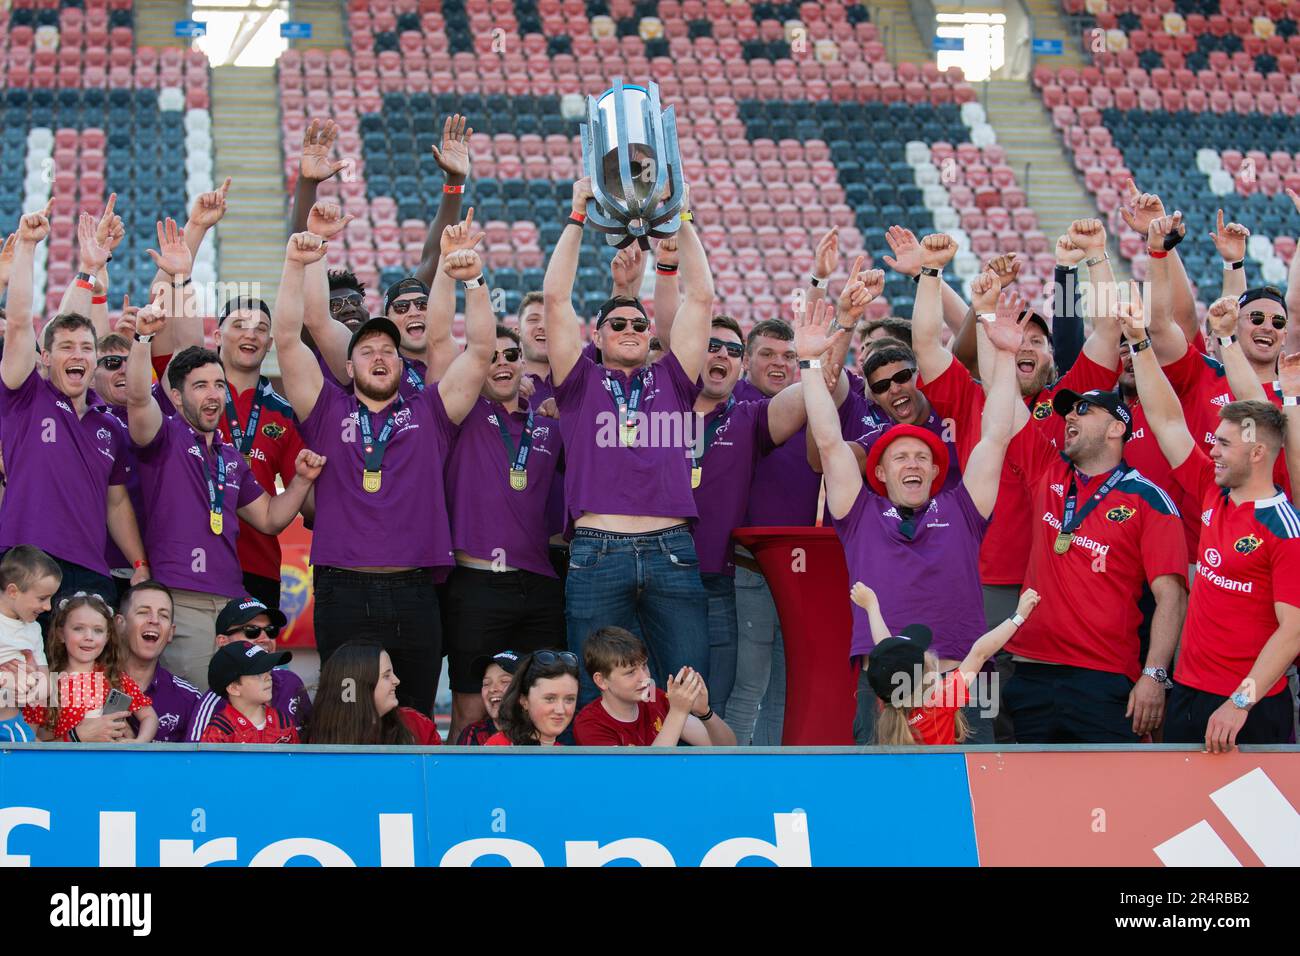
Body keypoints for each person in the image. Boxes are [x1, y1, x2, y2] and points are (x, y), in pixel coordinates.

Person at [273, 228, 495, 715]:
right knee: (347, 716)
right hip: (342, 588)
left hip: (415, 590)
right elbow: (287, 339)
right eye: (366, 350)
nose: (379, 357)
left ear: (401, 363)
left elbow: (479, 352)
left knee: (412, 715)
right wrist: (297, 263)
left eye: (388, 351)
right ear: (348, 367)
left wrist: (474, 283)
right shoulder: (326, 410)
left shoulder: (431, 412)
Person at [805, 288, 1023, 744]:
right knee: (880, 803)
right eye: (900, 457)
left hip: (961, 681)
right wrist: (809, 364)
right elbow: (827, 442)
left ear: (936, 469)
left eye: (922, 456)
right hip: (886, 686)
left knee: (971, 800)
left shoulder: (963, 507)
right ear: (879, 471)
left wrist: (1004, 356)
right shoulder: (860, 512)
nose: (912, 463)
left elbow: (998, 434)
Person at [543, 178, 714, 708]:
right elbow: (554, 296)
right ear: (596, 338)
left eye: (639, 322)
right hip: (597, 552)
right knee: (593, 701)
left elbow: (702, 297)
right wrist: (576, 218)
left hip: (672, 551)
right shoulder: (579, 384)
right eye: (616, 322)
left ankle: (686, 785)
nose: (629, 326)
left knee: (687, 691)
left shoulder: (674, 378)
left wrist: (681, 217)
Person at [1126, 296, 1300, 750]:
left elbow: (1294, 631)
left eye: (1224, 443)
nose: (1214, 450)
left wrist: (1240, 702)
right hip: (1189, 690)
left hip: (1251, 707)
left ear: (1257, 453)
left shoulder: (1286, 530)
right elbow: (1166, 420)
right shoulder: (1211, 486)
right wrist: (1140, 343)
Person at [126, 299, 325, 689]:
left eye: (219, 385)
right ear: (177, 397)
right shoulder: (163, 435)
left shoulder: (230, 457)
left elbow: (268, 516)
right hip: (182, 594)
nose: (214, 394)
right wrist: (142, 340)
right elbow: (137, 399)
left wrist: (301, 481)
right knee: (196, 698)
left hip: (233, 598)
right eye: (200, 386)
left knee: (237, 703)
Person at [1003, 346, 1189, 744]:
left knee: (1109, 800)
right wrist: (1002, 348)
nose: (1070, 416)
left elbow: (1171, 596)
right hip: (1031, 670)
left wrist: (1154, 675)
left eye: (1083, 411)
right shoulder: (1046, 470)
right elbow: (1009, 409)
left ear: (1116, 428)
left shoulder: (1150, 499)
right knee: (1033, 801)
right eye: (1069, 411)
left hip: (1102, 678)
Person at [0, 202, 149, 606]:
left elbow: (116, 502)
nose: (78, 354)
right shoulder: (26, 396)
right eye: (65, 348)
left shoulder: (109, 425)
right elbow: (18, 325)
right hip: (25, 563)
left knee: (84, 673)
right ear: (44, 358)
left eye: (87, 348)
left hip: (91, 571)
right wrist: (29, 247)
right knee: (26, 669)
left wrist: (139, 563)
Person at [688, 313, 833, 717]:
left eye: (788, 356)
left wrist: (825, 341)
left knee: (785, 683)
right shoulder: (740, 407)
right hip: (742, 566)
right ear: (747, 363)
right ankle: (732, 767)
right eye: (766, 353)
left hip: (797, 569)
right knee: (744, 683)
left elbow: (818, 381)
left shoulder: (801, 405)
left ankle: (767, 769)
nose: (778, 363)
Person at [442, 324, 565, 741]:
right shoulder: (459, 414)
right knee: (471, 708)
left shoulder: (550, 426)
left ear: (524, 364)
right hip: (477, 584)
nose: (501, 363)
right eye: (489, 356)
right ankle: (458, 799)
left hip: (540, 585)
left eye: (510, 355)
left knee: (542, 709)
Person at [851, 583, 1041, 745]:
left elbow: (885, 653)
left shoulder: (890, 707)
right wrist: (1019, 616)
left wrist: (871, 607)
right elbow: (979, 653)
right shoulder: (940, 699)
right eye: (921, 652)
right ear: (924, 671)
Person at [24, 593, 158, 743]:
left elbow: (149, 716)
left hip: (109, 764)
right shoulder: (46, 683)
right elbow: (28, 741)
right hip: (64, 765)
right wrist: (74, 737)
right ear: (61, 634)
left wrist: (138, 743)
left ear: (107, 637)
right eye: (78, 628)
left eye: (98, 630)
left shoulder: (115, 677)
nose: (89, 637)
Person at [574, 626, 736, 746]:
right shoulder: (590, 723)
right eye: (630, 672)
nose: (645, 677)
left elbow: (727, 748)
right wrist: (678, 712)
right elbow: (646, 776)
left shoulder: (652, 696)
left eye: (644, 666)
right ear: (601, 681)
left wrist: (704, 712)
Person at [186, 596, 312, 740]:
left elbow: (316, 746)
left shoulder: (291, 682)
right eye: (251, 630)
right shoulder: (211, 706)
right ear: (223, 642)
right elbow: (195, 761)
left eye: (270, 630)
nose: (265, 638)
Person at [308, 641, 442, 745]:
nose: (397, 680)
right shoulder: (313, 739)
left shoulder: (417, 726)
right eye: (386, 675)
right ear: (359, 686)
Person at [116, 580, 201, 743]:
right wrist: (79, 734)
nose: (154, 620)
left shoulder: (190, 699)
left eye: (163, 615)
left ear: (171, 632)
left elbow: (195, 766)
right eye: (143, 612)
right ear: (120, 624)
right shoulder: (81, 679)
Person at [0, 546, 60, 742]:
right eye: (42, 598)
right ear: (13, 591)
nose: (48, 607)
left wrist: (33, 691)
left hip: (11, 723)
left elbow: (45, 682)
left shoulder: (33, 629)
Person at [199, 640, 300, 744]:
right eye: (258, 674)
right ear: (234, 688)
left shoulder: (283, 722)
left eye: (268, 670)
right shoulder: (219, 732)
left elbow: (297, 760)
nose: (268, 677)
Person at [485, 650, 580, 746]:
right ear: (524, 700)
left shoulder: (566, 755)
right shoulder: (499, 747)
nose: (560, 710)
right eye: (550, 699)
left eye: (569, 699)